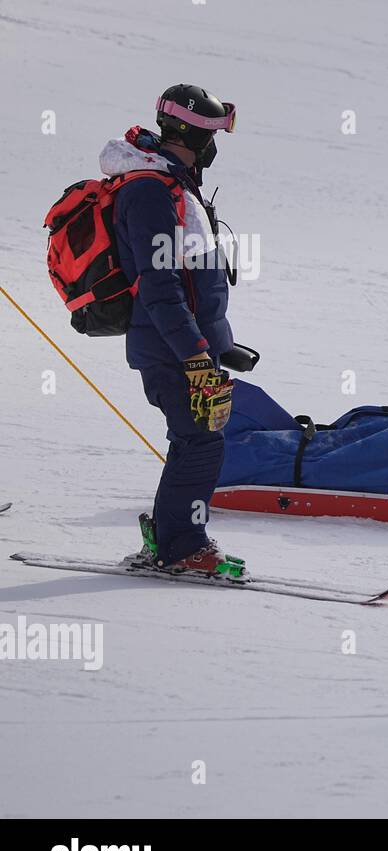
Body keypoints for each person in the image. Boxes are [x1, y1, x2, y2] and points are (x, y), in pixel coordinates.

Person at [104, 84, 242, 576]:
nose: (215, 148)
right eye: (212, 135)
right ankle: (181, 547)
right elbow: (159, 288)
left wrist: (220, 345)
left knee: (195, 438)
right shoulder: (149, 191)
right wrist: (194, 352)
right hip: (168, 347)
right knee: (201, 440)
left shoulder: (173, 184)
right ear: (197, 136)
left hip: (184, 344)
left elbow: (192, 277)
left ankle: (168, 539)